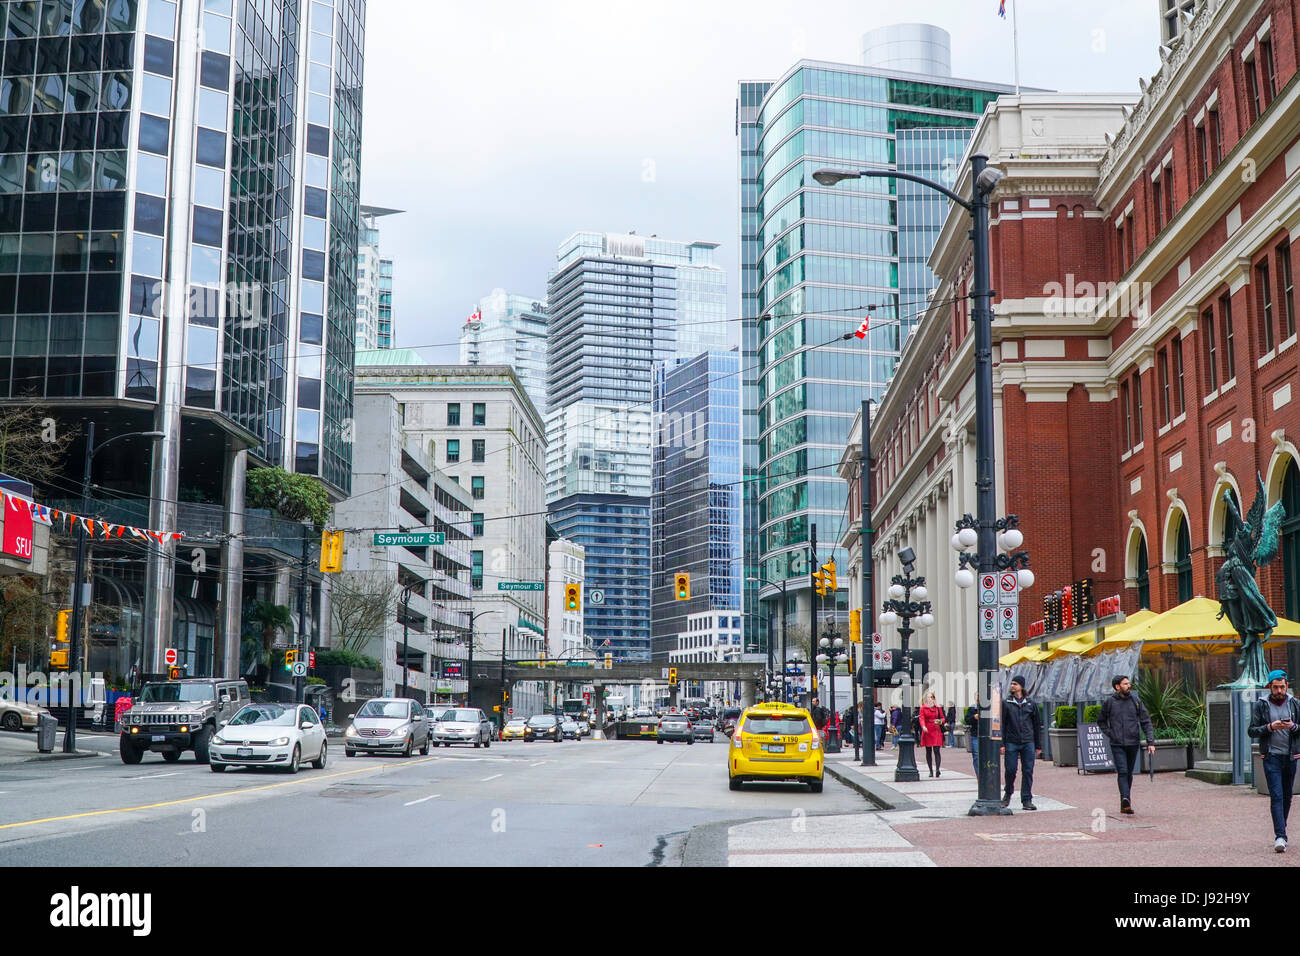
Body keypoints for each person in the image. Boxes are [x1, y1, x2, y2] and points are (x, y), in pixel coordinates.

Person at [1247, 670, 1300, 852]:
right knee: (1276, 796)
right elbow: (1252, 730)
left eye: (1282, 687)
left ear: (1286, 686)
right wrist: (1270, 727)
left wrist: (1293, 726)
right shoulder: (1261, 705)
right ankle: (1280, 836)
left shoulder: (1294, 704)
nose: (1279, 690)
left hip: (1291, 756)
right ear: (1270, 687)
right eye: (1276, 687)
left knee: (1287, 796)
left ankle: (1281, 830)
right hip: (1271, 757)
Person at [1097, 674, 1155, 815]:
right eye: (1125, 684)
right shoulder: (1109, 702)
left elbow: (1145, 721)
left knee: (1128, 773)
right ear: (1117, 687)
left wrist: (1150, 742)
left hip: (1132, 742)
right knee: (1122, 771)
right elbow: (1101, 721)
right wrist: (1111, 734)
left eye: (1128, 684)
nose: (1128, 686)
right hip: (1117, 743)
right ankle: (1125, 798)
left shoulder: (1136, 701)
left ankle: (1125, 802)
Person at [1001, 675, 1042, 810]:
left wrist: (1038, 745)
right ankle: (1008, 793)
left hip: (1028, 741)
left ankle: (1026, 799)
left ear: (1021, 686)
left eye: (1015, 684)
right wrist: (1002, 743)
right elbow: (1002, 723)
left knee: (1028, 770)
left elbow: (1037, 725)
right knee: (1011, 770)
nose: (1012, 686)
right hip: (1011, 741)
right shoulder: (1006, 703)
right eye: (1012, 684)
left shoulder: (1031, 703)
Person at [918, 691, 946, 777]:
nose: (931, 699)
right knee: (928, 751)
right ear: (926, 699)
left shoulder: (938, 708)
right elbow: (921, 718)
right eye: (929, 697)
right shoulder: (923, 708)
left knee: (937, 750)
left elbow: (943, 718)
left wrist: (941, 721)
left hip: (936, 729)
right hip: (927, 730)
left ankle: (937, 769)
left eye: (932, 697)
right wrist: (923, 726)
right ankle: (931, 770)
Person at [964, 697, 980, 774]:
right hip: (975, 735)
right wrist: (974, 717)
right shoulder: (972, 708)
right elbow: (967, 720)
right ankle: (979, 775)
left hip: (988, 736)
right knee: (976, 755)